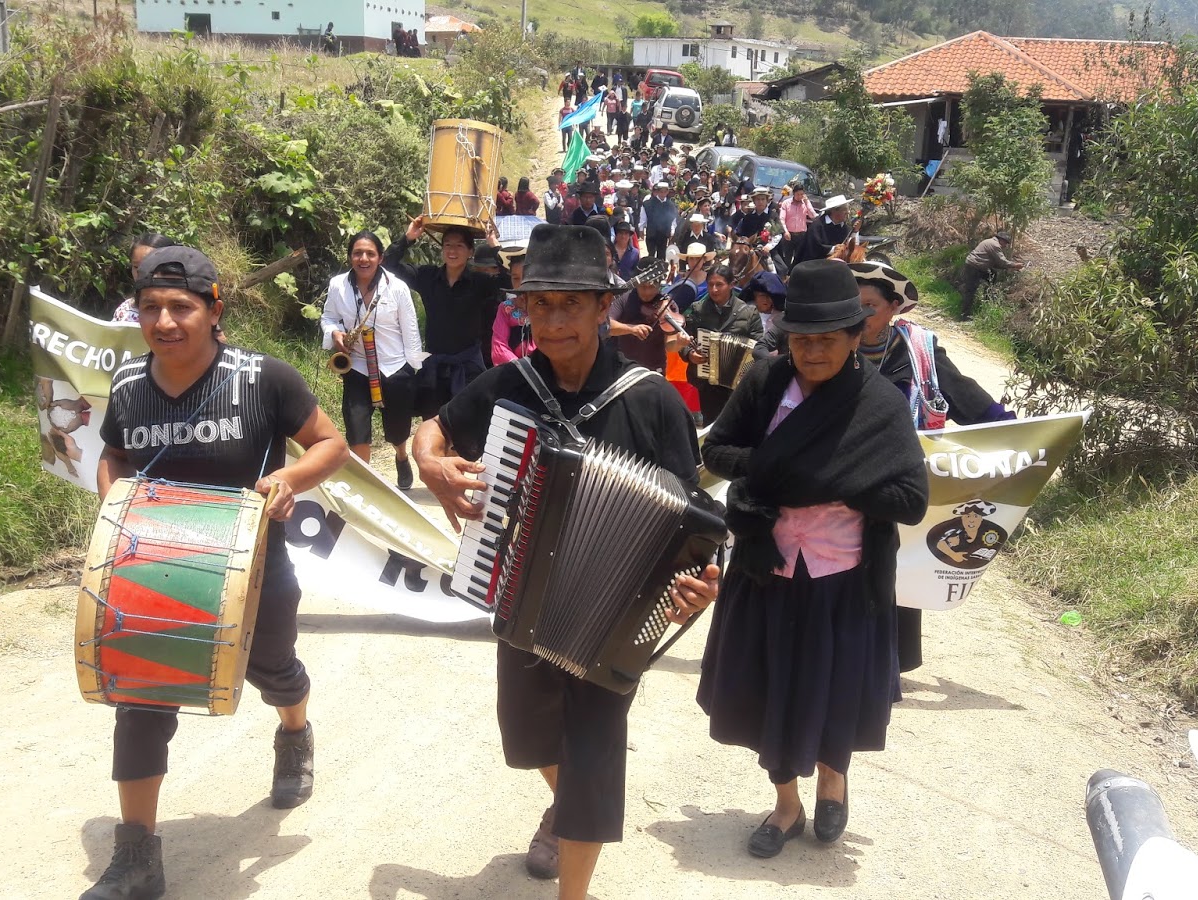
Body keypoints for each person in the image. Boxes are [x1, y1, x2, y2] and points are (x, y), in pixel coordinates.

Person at [412, 224, 721, 900]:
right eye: (540, 305)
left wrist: (697, 580)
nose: (552, 323)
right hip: (523, 598)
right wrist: (430, 462)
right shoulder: (508, 386)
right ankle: (564, 800)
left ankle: (573, 882)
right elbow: (431, 430)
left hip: (616, 612)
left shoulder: (651, 400)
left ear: (602, 307)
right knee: (525, 738)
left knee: (593, 755)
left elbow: (693, 523)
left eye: (570, 305)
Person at [85, 246, 351, 900]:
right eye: (151, 308)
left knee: (274, 672)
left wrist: (286, 480)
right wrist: (116, 505)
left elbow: (331, 444)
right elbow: (113, 456)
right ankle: (137, 855)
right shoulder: (128, 389)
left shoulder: (263, 380)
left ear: (214, 310)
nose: (166, 321)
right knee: (140, 698)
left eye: (182, 307)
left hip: (254, 571)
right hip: (160, 575)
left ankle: (295, 732)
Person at [697, 258, 929, 857]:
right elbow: (720, 449)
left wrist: (829, 480)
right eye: (802, 340)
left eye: (828, 339)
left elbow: (909, 499)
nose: (813, 351)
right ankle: (786, 806)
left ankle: (833, 783)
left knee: (832, 690)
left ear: (857, 337)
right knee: (771, 686)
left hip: (841, 578)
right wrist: (780, 470)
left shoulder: (877, 404)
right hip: (767, 566)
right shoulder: (765, 383)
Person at [851, 260, 1014, 672]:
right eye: (854, 303)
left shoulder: (918, 349)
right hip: (842, 476)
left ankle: (885, 663)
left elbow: (961, 395)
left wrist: (1011, 431)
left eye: (870, 304)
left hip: (900, 481)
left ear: (893, 308)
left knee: (894, 566)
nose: (861, 313)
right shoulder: (832, 342)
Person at [382, 217, 512, 450]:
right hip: (433, 368)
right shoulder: (427, 277)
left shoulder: (480, 282)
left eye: (459, 245)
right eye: (448, 245)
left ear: (470, 251)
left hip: (467, 367)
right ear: (441, 249)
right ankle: (438, 476)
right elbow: (388, 265)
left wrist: (494, 245)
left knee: (462, 429)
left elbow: (509, 279)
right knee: (433, 426)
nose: (453, 250)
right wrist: (409, 237)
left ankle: (454, 476)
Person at [320, 232, 424, 485]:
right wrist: (334, 333)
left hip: (394, 367)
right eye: (357, 253)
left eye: (370, 254)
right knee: (357, 429)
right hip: (356, 367)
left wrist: (414, 367)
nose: (363, 259)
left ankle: (400, 456)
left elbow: (411, 330)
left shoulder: (397, 287)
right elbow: (328, 317)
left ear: (380, 258)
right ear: (349, 257)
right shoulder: (337, 285)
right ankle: (367, 484)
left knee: (397, 429)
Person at [682, 264, 763, 426]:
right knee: (710, 426)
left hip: (738, 386)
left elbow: (760, 346)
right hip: (707, 384)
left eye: (719, 285)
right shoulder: (697, 310)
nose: (714, 290)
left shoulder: (748, 313)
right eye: (711, 284)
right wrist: (689, 354)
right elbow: (684, 340)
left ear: (731, 285)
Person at [608, 256, 688, 373]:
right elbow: (607, 325)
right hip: (624, 367)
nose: (647, 292)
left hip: (654, 368)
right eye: (643, 287)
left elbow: (669, 345)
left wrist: (679, 344)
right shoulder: (625, 298)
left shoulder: (669, 306)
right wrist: (631, 329)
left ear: (660, 284)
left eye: (651, 287)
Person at [111, 233, 177, 321]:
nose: (142, 273)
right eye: (136, 267)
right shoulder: (125, 310)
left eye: (151, 266)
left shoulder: (187, 308)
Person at [959, 231, 1024, 320]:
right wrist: (1015, 265)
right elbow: (1002, 261)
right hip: (974, 267)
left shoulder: (989, 242)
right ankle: (965, 315)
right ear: (1001, 240)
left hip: (976, 266)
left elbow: (996, 264)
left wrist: (1009, 267)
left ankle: (987, 296)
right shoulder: (994, 245)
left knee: (993, 274)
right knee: (970, 291)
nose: (1005, 246)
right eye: (1005, 243)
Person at [489, 243, 534, 364]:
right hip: (514, 370)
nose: (520, 283)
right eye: (515, 278)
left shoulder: (548, 306)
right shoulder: (506, 308)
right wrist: (520, 369)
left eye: (525, 277)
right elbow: (499, 345)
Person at [638, 181, 678, 260]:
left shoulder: (671, 205)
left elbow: (673, 219)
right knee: (651, 254)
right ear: (657, 192)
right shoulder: (648, 204)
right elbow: (643, 217)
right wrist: (641, 229)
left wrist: (672, 231)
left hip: (664, 233)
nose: (662, 194)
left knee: (662, 255)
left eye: (665, 191)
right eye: (660, 191)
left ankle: (661, 271)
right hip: (651, 233)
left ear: (667, 192)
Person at [779, 184, 817, 268]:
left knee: (799, 258)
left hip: (801, 235)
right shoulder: (786, 203)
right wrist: (785, 231)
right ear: (794, 193)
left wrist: (807, 203)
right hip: (789, 234)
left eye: (801, 194)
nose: (800, 196)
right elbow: (781, 219)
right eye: (798, 194)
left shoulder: (805, 203)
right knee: (787, 258)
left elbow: (813, 216)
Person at [808, 195, 852, 260]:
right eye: (844, 209)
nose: (848, 212)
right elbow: (813, 247)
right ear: (834, 211)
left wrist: (855, 231)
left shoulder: (845, 228)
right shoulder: (817, 227)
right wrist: (833, 249)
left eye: (848, 209)